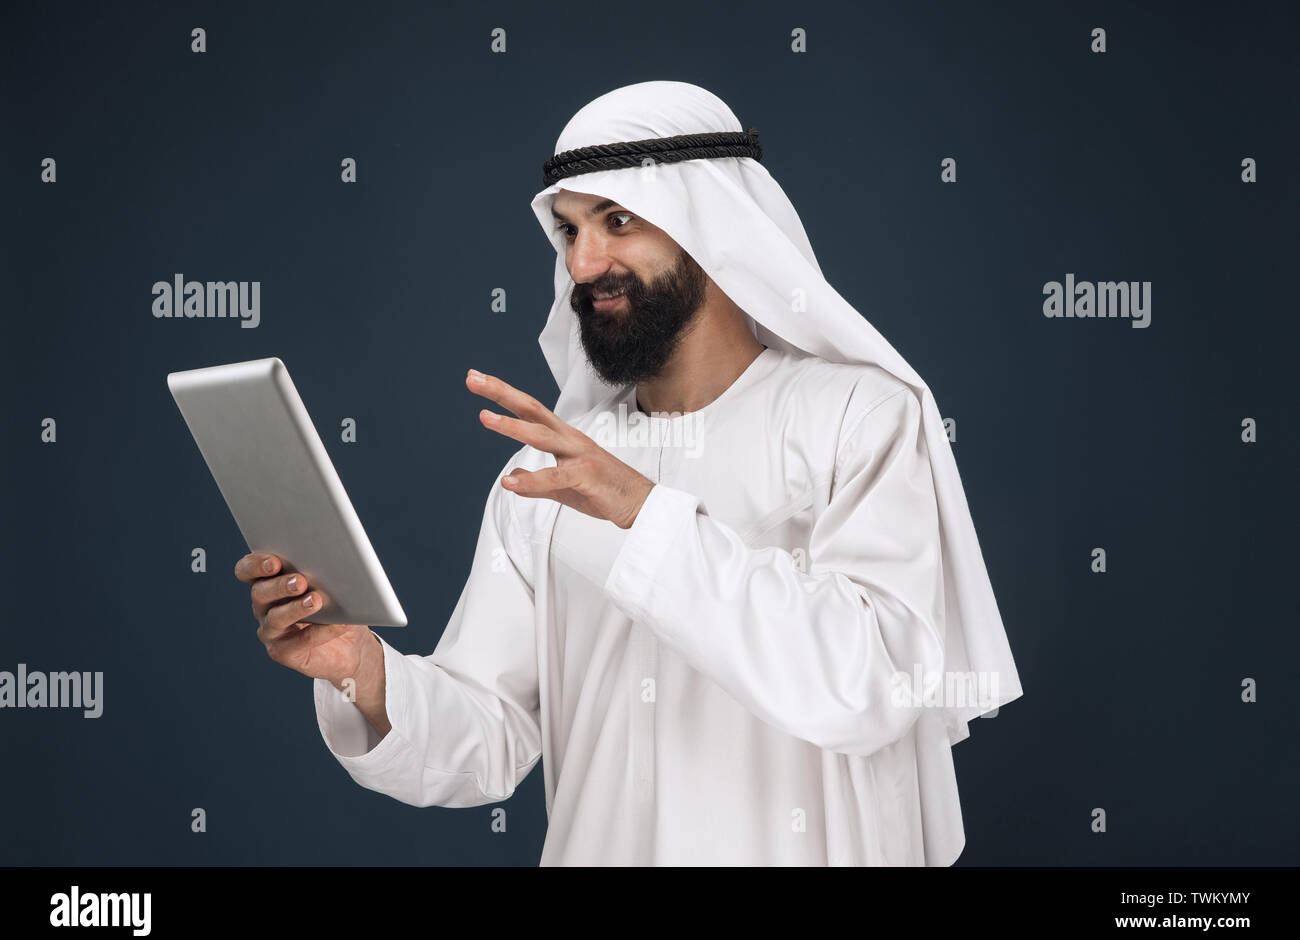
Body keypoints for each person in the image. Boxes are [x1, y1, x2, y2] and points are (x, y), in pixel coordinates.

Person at [235, 81, 1023, 865]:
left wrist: (642, 512)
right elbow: (490, 734)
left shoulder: (859, 415)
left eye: (617, 221)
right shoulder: (547, 469)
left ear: (709, 226)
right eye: (570, 229)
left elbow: (874, 684)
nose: (584, 262)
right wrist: (360, 672)